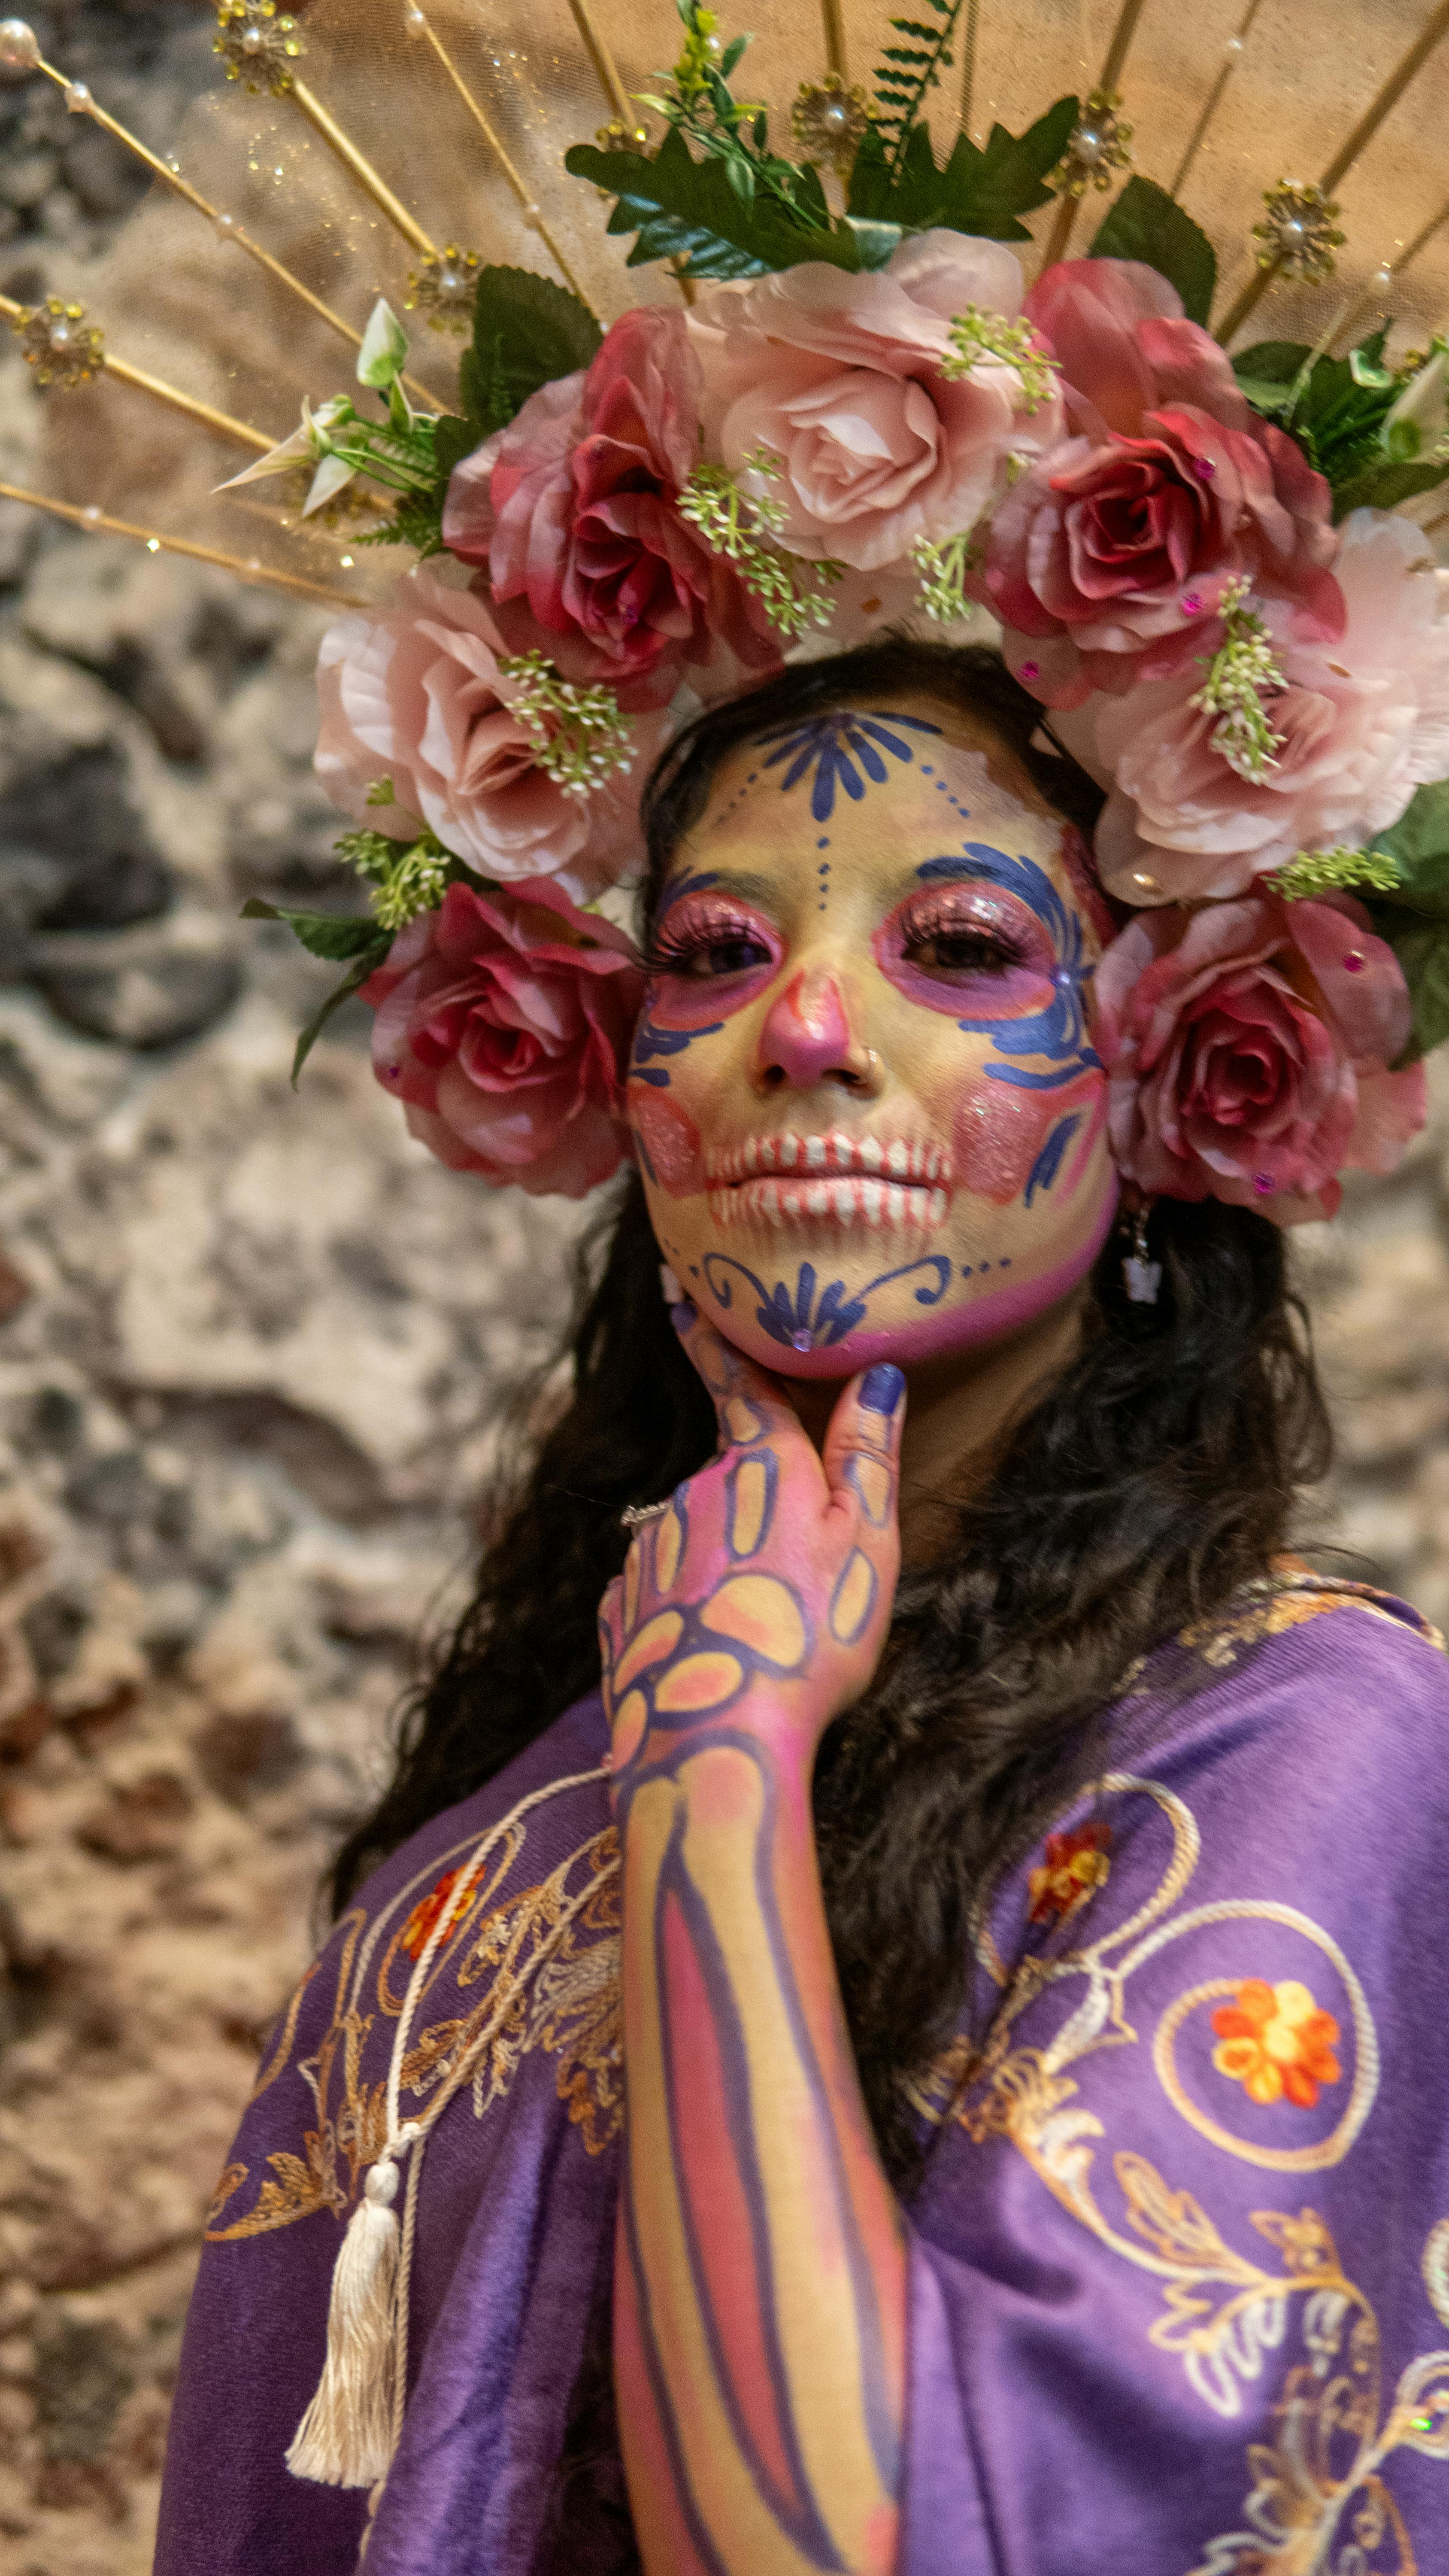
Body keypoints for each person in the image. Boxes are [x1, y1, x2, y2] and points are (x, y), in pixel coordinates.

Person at [154, 638, 1449, 2576]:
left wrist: (722, 1769)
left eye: (960, 944)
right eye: (712, 954)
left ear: (1166, 1063)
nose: (810, 1025)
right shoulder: (475, 1871)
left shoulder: (1300, 1734)